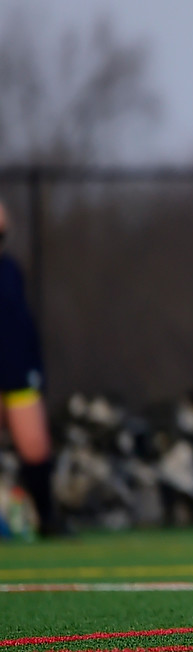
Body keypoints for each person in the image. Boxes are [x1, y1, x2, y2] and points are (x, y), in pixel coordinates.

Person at [0, 200, 61, 537]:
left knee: (35, 445)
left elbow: (24, 327)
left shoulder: (11, 270)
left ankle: (47, 518)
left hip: (18, 371)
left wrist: (35, 369)